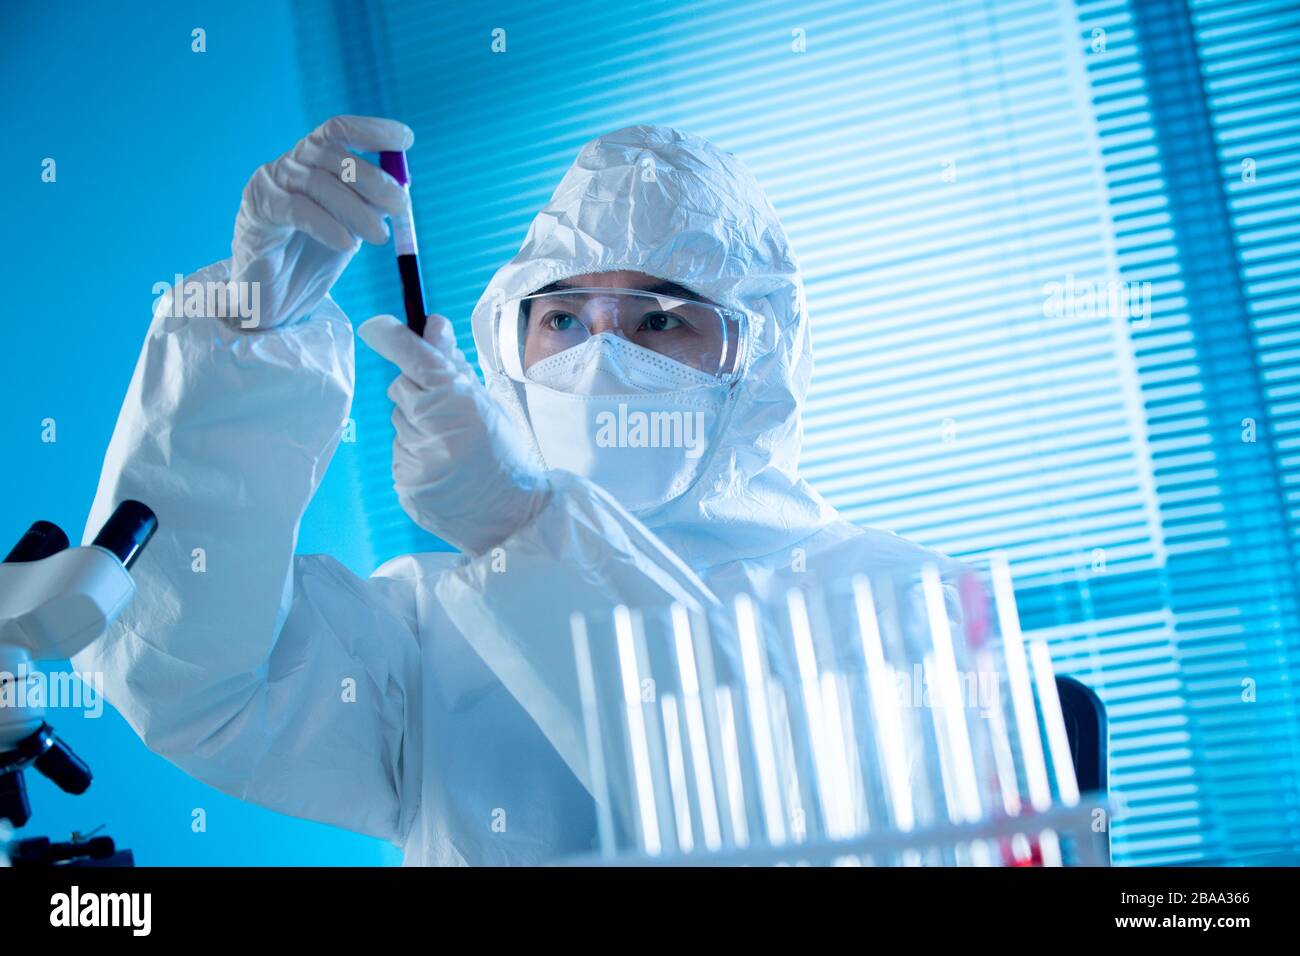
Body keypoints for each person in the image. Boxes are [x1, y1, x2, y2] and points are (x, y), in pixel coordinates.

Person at [74, 117, 962, 865]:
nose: (600, 359)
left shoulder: (899, 600)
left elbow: (804, 831)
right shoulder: (435, 626)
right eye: (564, 319)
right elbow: (187, 680)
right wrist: (247, 339)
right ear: (511, 350)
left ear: (758, 358)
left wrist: (524, 530)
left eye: (659, 320)